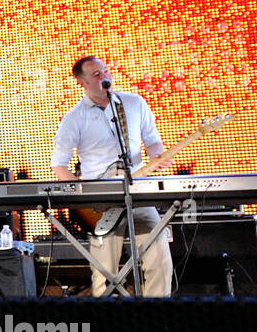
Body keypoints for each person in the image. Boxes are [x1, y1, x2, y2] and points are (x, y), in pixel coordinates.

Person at [50, 55, 173, 297]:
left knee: (159, 259)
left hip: (138, 193)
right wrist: (84, 198)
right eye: (96, 75)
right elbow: (59, 165)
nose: (105, 77)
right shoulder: (74, 117)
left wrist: (159, 156)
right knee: (105, 273)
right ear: (83, 83)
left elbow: (153, 143)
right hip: (101, 203)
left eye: (106, 71)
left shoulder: (134, 103)